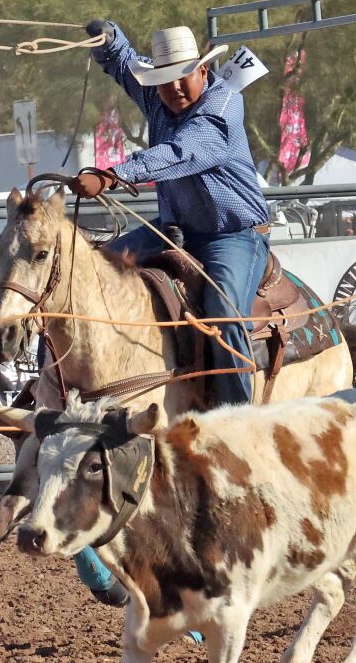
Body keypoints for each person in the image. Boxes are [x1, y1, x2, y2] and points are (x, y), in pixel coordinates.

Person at [78, 20, 271, 408]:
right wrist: (108, 39)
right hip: (173, 230)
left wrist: (112, 175)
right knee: (95, 269)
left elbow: (182, 151)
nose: (175, 88)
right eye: (165, 81)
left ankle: (238, 417)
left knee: (223, 311)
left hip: (234, 235)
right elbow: (126, 63)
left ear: (203, 70)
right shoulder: (158, 96)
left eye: (183, 77)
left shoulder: (222, 105)